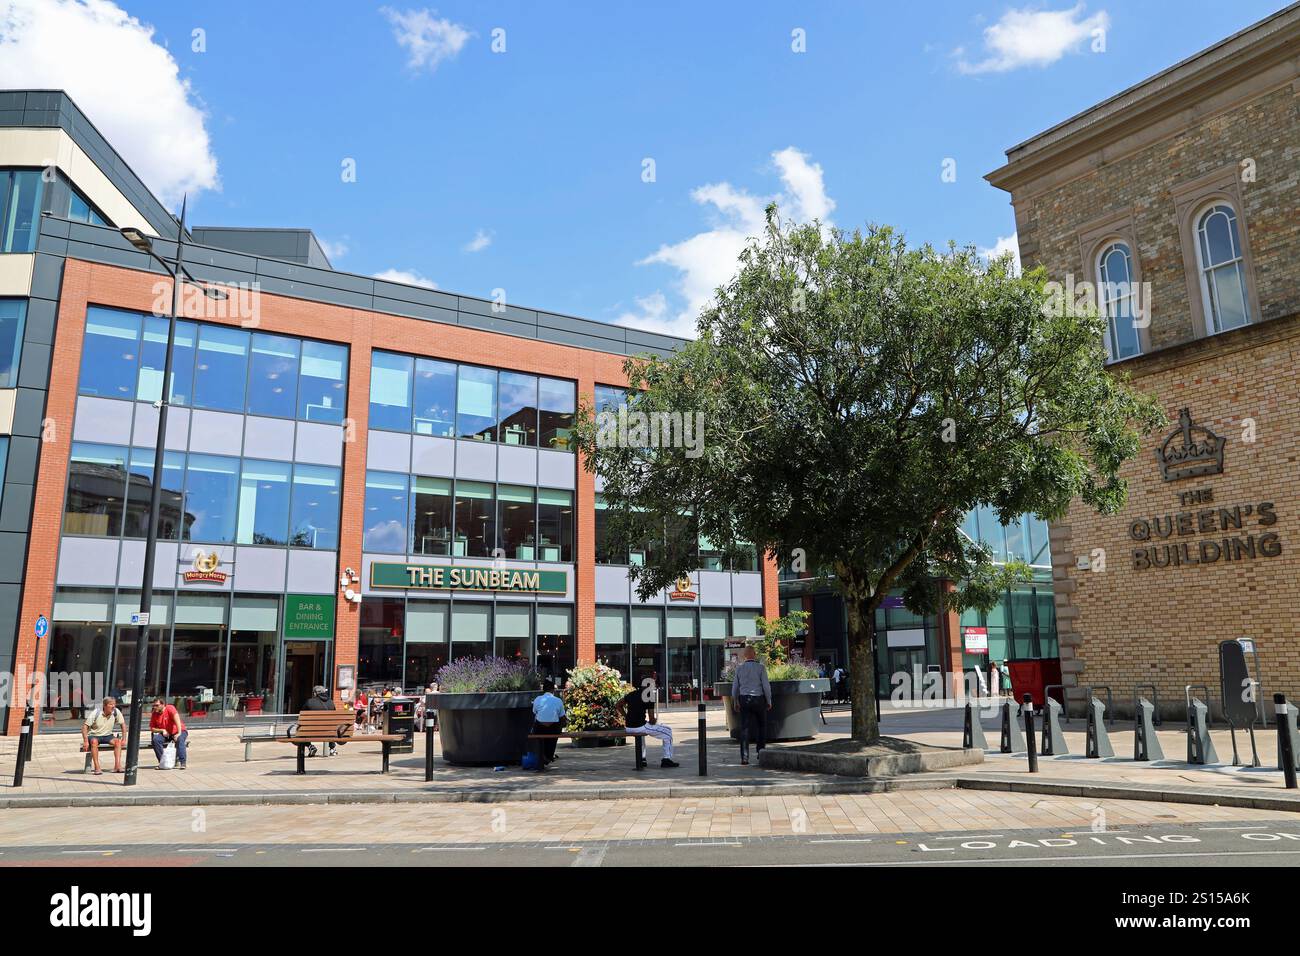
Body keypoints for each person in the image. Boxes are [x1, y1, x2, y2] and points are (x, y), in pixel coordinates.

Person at [616, 680, 678, 768]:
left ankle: (642, 759)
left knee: (640, 736)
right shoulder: (650, 696)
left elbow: (618, 705)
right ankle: (666, 759)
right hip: (640, 727)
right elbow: (652, 719)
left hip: (629, 727)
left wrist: (626, 716)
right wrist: (654, 720)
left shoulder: (632, 694)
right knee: (668, 732)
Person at [732, 647, 772, 765]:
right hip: (758, 699)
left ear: (745, 656)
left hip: (744, 699)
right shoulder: (761, 668)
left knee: (744, 728)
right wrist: (769, 700)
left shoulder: (739, 669)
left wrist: (735, 701)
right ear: (754, 654)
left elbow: (735, 687)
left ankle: (744, 757)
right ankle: (760, 752)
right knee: (761, 726)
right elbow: (766, 686)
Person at [80, 697, 125, 774]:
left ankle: (117, 766)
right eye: (111, 704)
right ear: (104, 705)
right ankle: (97, 768)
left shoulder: (116, 712)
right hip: (94, 735)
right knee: (94, 742)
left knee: (118, 741)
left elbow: (123, 725)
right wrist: (86, 741)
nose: (113, 706)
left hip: (108, 735)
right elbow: (85, 727)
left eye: (114, 704)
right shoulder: (96, 712)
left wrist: (124, 739)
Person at [530, 679, 566, 765]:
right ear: (553, 690)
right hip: (553, 729)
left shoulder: (537, 699)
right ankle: (549, 756)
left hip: (540, 728)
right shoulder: (558, 700)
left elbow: (534, 712)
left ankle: (542, 755)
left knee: (538, 728)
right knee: (554, 734)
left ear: (543, 690)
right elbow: (562, 717)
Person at [149, 696, 188, 769]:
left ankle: (182, 762)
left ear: (162, 704)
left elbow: (177, 720)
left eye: (157, 705)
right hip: (166, 734)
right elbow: (152, 728)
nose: (155, 707)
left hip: (179, 731)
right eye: (153, 706)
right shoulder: (154, 713)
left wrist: (179, 733)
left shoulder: (170, 708)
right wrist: (162, 730)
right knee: (156, 740)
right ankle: (163, 762)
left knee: (179, 739)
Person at [302, 685, 339, 757]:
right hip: (329, 731)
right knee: (329, 725)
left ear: (315, 693)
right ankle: (332, 748)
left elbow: (302, 713)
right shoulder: (331, 702)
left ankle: (310, 747)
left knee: (301, 729)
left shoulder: (310, 702)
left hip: (312, 731)